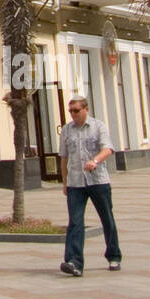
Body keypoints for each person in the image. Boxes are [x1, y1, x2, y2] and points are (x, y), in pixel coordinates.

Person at [58, 96, 120, 276]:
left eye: (76, 110)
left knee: (107, 218)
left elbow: (107, 148)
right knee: (75, 222)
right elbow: (63, 157)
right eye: (70, 111)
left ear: (86, 109)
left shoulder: (98, 126)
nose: (73, 114)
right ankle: (74, 262)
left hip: (98, 180)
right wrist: (64, 182)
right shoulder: (67, 130)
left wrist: (95, 161)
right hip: (75, 183)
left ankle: (114, 255)